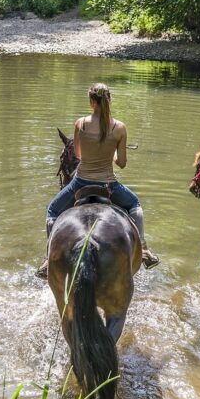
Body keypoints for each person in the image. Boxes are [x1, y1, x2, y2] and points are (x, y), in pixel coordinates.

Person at [36, 83, 160, 279]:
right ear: (109, 100)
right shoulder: (119, 128)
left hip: (80, 183)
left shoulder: (80, 124)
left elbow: (78, 154)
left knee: (52, 211)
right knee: (135, 205)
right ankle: (143, 249)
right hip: (109, 185)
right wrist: (109, 155)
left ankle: (48, 258)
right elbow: (122, 163)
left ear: (91, 102)